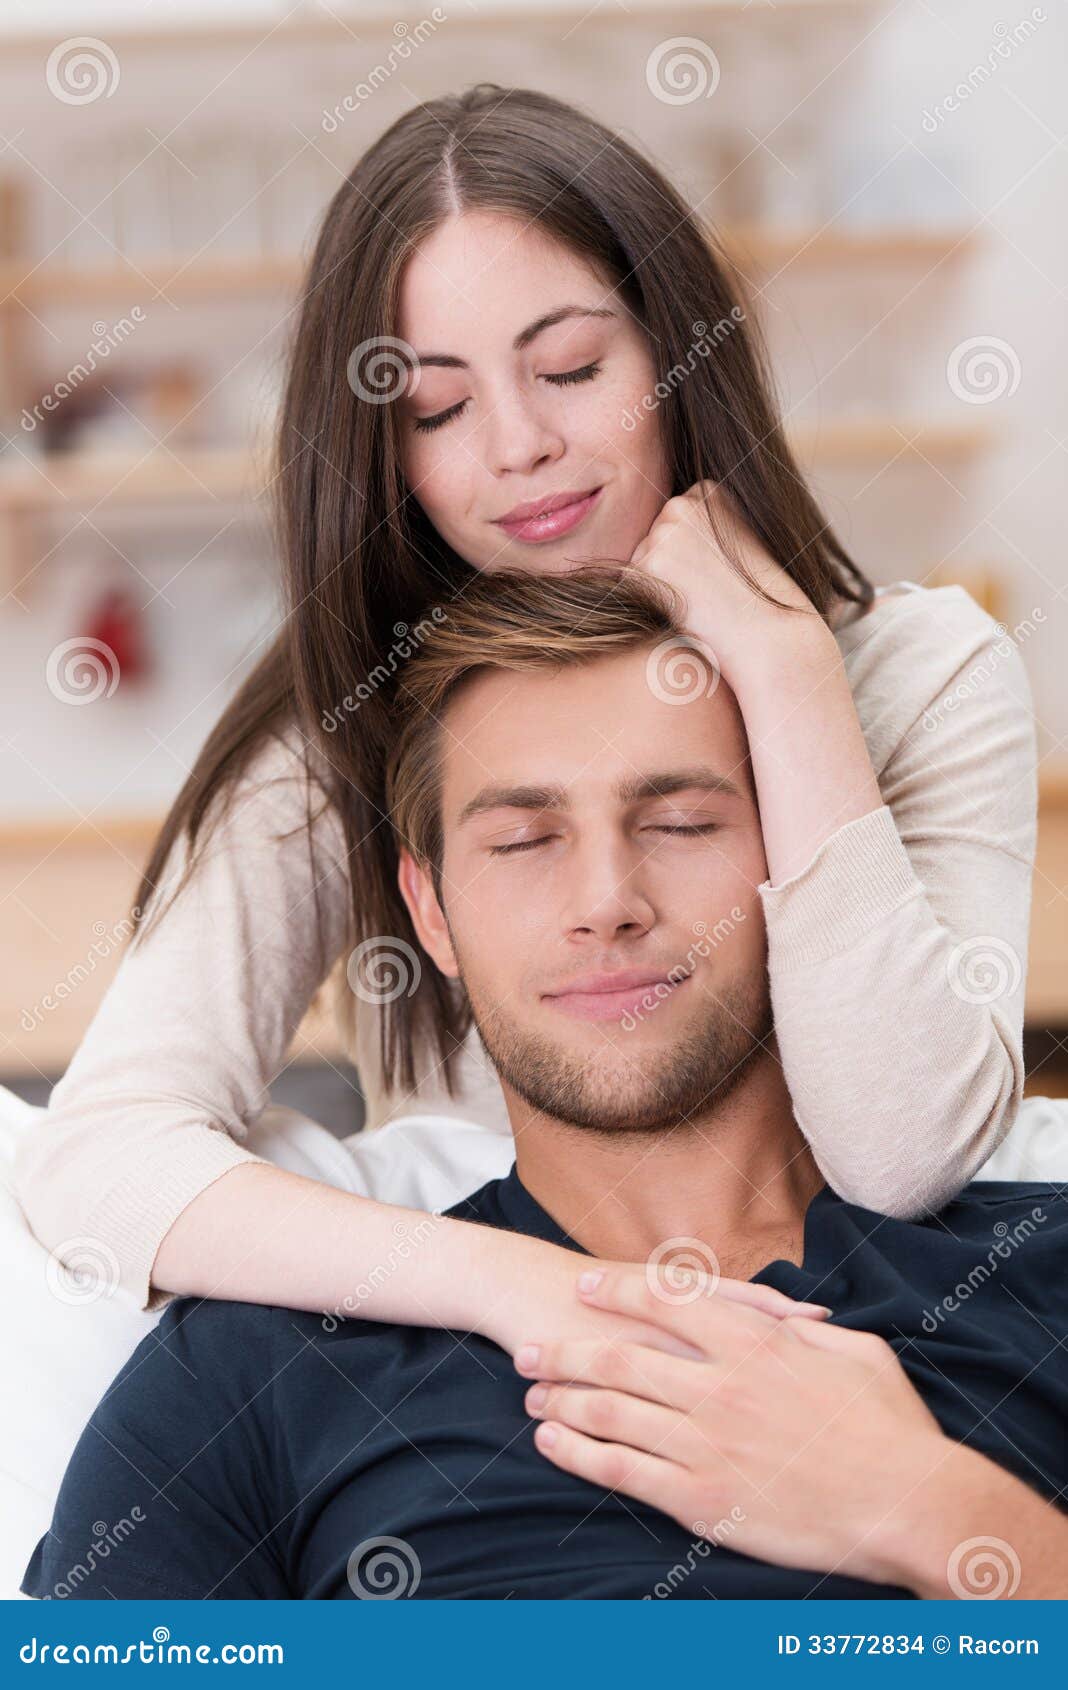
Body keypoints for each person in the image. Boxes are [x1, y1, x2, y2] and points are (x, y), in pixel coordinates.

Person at [14, 87, 1039, 1366]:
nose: (519, 447)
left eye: (568, 369)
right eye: (437, 411)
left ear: (676, 360)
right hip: (517, 1393)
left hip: (873, 1362)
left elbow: (904, 1152)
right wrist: (525, 1288)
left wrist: (786, 673)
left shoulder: (914, 669)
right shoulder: (340, 734)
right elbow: (98, 1168)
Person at [21, 571, 1067, 1602]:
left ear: (790, 864)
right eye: (524, 841)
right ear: (430, 914)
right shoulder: (262, 1366)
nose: (606, 901)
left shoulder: (1037, 1275)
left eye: (681, 823)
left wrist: (937, 1512)